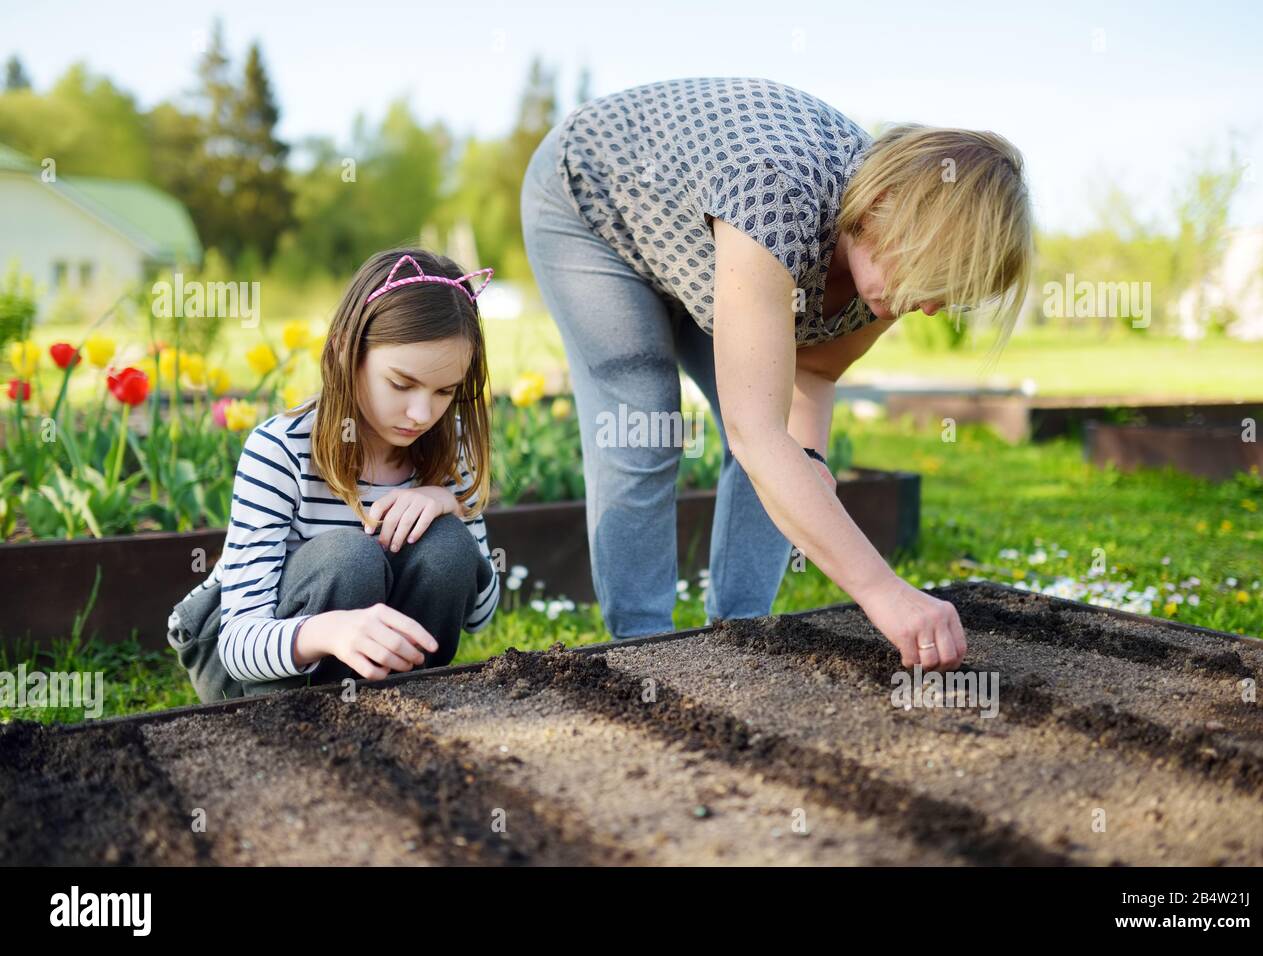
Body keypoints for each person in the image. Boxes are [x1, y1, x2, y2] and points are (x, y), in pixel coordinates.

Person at [521, 76, 1034, 671]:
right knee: (647, 418)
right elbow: (755, 432)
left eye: (948, 293)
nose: (930, 307)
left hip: (702, 245)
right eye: (931, 280)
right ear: (886, 204)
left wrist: (809, 463)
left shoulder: (891, 270)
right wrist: (885, 593)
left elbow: (810, 377)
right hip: (592, 203)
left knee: (786, 454)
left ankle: (742, 637)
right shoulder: (776, 195)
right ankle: (643, 651)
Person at [167, 249, 500, 702]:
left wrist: (450, 507)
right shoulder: (281, 449)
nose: (421, 413)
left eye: (444, 390)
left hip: (370, 668)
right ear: (347, 348)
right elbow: (238, 644)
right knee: (350, 559)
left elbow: (480, 616)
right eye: (400, 384)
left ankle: (403, 701)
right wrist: (329, 631)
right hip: (246, 666)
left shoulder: (448, 445)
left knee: (447, 544)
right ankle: (307, 721)